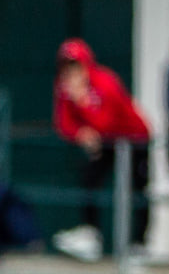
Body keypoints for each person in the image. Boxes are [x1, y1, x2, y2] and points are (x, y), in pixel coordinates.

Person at [54, 38, 151, 258]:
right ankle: (91, 234)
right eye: (67, 66)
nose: (72, 72)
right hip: (105, 143)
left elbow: (108, 121)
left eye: (76, 65)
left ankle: (139, 244)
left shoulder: (105, 82)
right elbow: (63, 122)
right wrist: (81, 134)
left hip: (134, 138)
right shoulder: (64, 86)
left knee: (138, 189)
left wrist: (83, 103)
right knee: (89, 178)